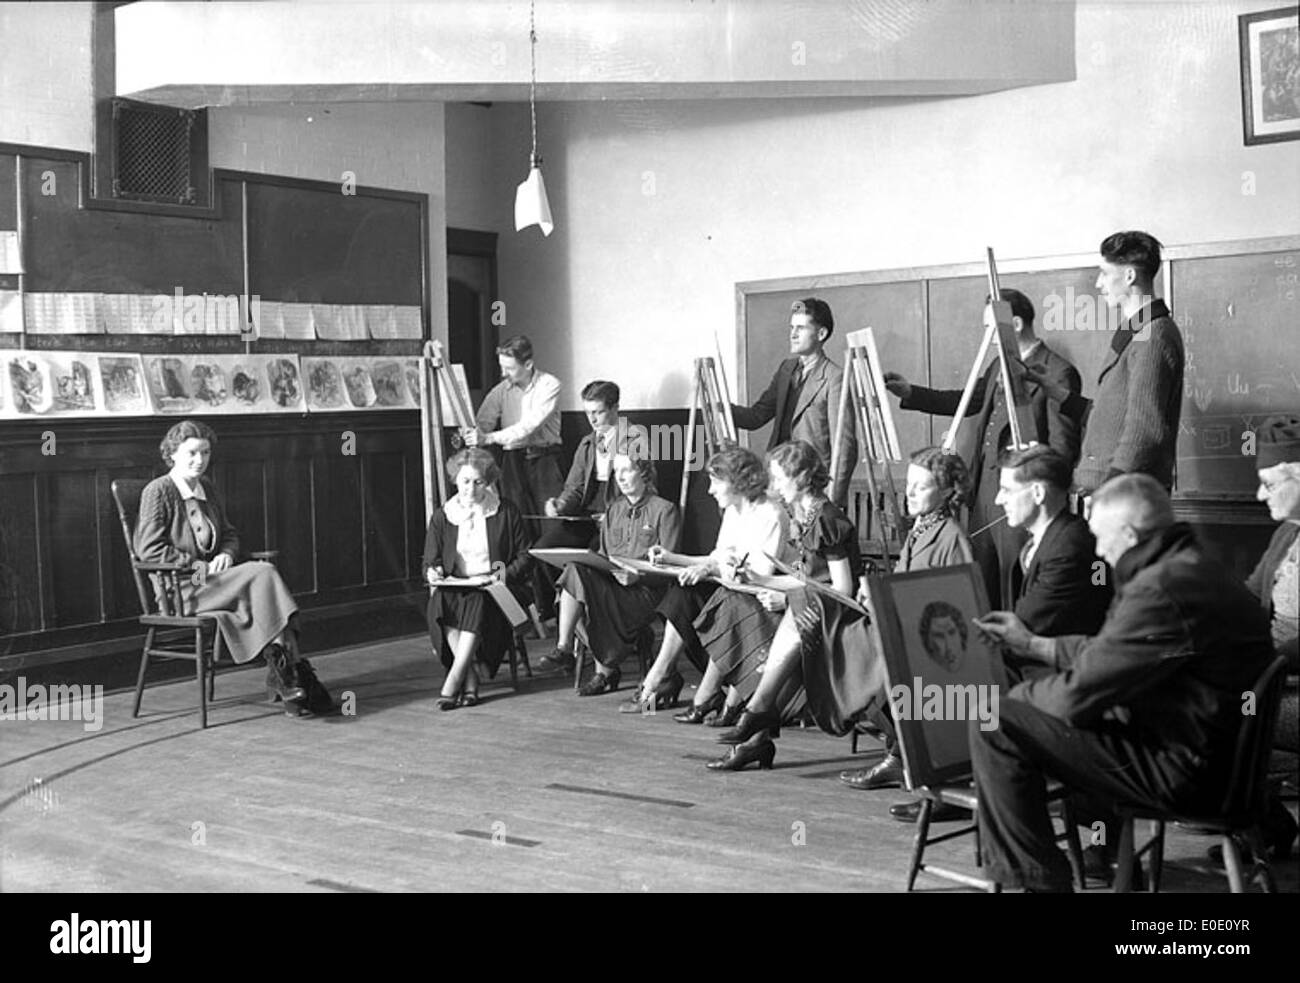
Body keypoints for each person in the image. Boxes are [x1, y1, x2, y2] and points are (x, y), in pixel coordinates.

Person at [970, 474, 1274, 892]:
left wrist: (1018, 700)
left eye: (1100, 538)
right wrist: (1036, 646)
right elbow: (1116, 654)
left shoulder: (1160, 589)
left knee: (993, 719)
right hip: (1215, 760)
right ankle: (1090, 855)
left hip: (1186, 773)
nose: (1098, 552)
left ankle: (1038, 883)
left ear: (1129, 534)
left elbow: (1077, 696)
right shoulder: (1195, 569)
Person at [884, 287, 1081, 608]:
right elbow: (966, 401)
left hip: (1021, 495)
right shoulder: (996, 367)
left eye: (991, 329)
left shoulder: (1058, 372)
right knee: (983, 581)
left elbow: (1062, 447)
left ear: (1013, 325)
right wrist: (911, 392)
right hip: (984, 494)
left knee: (1016, 582)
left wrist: (1039, 494)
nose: (987, 338)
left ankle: (1017, 648)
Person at [134, 420, 325, 717]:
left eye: (206, 453)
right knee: (263, 573)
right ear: (172, 454)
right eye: (192, 453)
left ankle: (287, 679)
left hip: (214, 580)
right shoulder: (158, 491)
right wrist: (199, 565)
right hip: (182, 586)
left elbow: (230, 533)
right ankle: (294, 674)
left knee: (263, 580)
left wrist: (225, 553)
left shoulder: (206, 488)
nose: (200, 461)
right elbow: (148, 549)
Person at [821, 446, 975, 789]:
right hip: (899, 628)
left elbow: (954, 607)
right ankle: (897, 750)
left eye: (921, 487)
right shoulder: (921, 528)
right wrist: (874, 591)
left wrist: (888, 603)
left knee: (859, 661)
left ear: (948, 491)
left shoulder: (951, 538)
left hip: (925, 644)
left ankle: (901, 755)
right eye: (910, 484)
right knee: (836, 641)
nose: (910, 493)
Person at [622, 445, 794, 717]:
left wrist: (709, 570)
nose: (710, 490)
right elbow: (718, 558)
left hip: (761, 600)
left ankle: (685, 689)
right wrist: (673, 558)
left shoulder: (771, 515)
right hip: (733, 589)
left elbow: (758, 577)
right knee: (682, 593)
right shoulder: (735, 510)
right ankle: (661, 675)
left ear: (737, 482)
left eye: (716, 482)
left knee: (713, 597)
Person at [540, 454, 682, 696]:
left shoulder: (665, 510)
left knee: (590, 597)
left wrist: (639, 577)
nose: (622, 477)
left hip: (645, 591)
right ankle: (564, 648)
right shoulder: (614, 509)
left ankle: (604, 671)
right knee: (574, 570)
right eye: (617, 472)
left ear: (644, 473)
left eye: (627, 470)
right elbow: (604, 556)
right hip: (612, 585)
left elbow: (670, 568)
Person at [1072, 231, 1185, 498]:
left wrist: (1109, 493)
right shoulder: (1137, 330)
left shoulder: (1153, 336)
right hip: (1112, 489)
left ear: (1130, 276)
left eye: (1104, 273)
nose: (1099, 284)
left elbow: (1145, 430)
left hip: (1123, 495)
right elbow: (1108, 411)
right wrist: (1049, 387)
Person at [423, 448, 533, 709]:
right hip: (458, 586)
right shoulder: (443, 515)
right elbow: (430, 560)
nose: (470, 489)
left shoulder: (505, 511)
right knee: (439, 602)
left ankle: (454, 680)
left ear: (488, 482)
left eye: (478, 482)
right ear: (455, 481)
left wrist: (500, 575)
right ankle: (469, 679)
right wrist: (433, 571)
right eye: (465, 481)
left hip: (500, 590)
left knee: (478, 600)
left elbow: (526, 556)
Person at [465, 334, 564, 617]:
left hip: (546, 461)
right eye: (502, 367)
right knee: (521, 535)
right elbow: (482, 422)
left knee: (551, 533)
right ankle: (539, 610)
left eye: (509, 368)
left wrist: (488, 437)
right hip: (514, 464)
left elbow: (529, 427)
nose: (504, 373)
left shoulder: (549, 384)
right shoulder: (501, 390)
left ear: (529, 363)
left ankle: (563, 605)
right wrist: (473, 435)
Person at [1240, 415, 1300, 860]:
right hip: (1274, 675)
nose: (1260, 495)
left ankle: (1262, 822)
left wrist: (1268, 662)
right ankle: (1265, 823)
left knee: (1217, 710)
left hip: (1291, 685)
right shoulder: (1286, 533)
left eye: (1270, 483)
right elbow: (1247, 597)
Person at [731, 298, 857, 506]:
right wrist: (721, 409)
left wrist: (832, 499)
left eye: (800, 328)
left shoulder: (835, 378)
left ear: (821, 334)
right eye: (791, 327)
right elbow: (757, 416)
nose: (793, 334)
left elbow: (844, 448)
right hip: (777, 482)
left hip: (811, 487)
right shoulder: (786, 369)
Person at [535, 380, 648, 552]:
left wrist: (614, 517)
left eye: (598, 412)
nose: (592, 419)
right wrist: (561, 505)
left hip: (618, 517)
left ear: (615, 408)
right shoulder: (587, 443)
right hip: (586, 517)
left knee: (594, 554)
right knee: (544, 548)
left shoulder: (635, 439)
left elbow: (645, 491)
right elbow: (575, 487)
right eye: (588, 412)